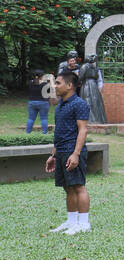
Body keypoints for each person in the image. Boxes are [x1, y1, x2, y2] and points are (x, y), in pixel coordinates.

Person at [46, 69, 91, 234]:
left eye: (58, 83)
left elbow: (83, 130)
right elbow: (60, 132)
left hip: (73, 151)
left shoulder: (79, 104)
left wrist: (76, 154)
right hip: (61, 151)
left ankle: (84, 224)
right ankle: (72, 222)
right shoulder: (60, 106)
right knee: (68, 187)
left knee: (79, 187)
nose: (55, 86)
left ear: (70, 85)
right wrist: (53, 155)